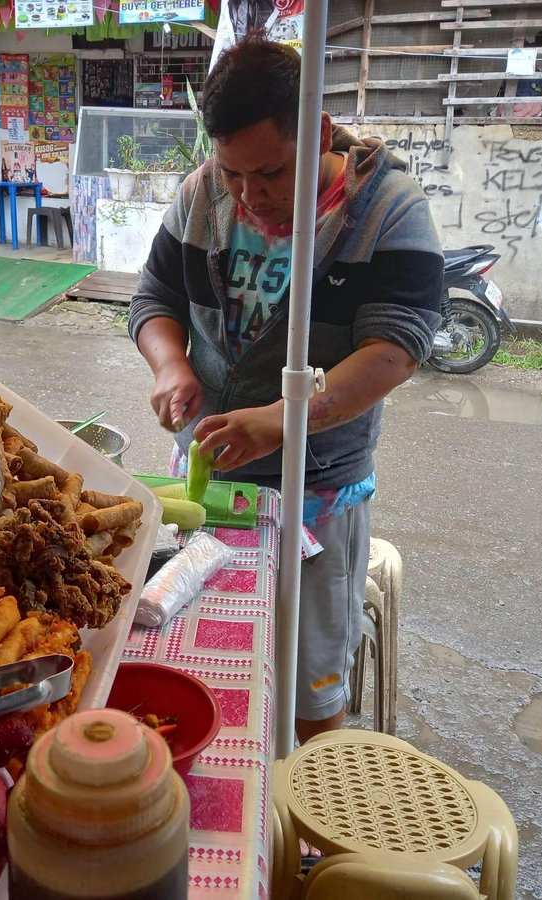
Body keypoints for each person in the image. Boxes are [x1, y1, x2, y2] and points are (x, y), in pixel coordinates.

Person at [127, 38, 443, 743]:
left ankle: (304, 799)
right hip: (210, 482)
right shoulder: (204, 192)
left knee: (311, 680)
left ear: (320, 134)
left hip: (318, 492)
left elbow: (395, 350)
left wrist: (281, 420)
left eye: (271, 171)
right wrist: (171, 365)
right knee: (201, 657)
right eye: (233, 172)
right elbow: (154, 298)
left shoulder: (387, 209)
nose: (250, 195)